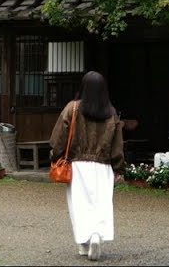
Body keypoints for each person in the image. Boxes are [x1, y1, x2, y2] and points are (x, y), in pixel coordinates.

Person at [49, 71, 124, 261]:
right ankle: (97, 234)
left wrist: (55, 156)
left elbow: (59, 138)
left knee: (79, 205)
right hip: (104, 166)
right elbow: (117, 146)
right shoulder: (111, 113)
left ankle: (84, 243)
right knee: (101, 204)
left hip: (78, 165)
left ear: (82, 87)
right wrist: (118, 168)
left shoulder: (72, 108)